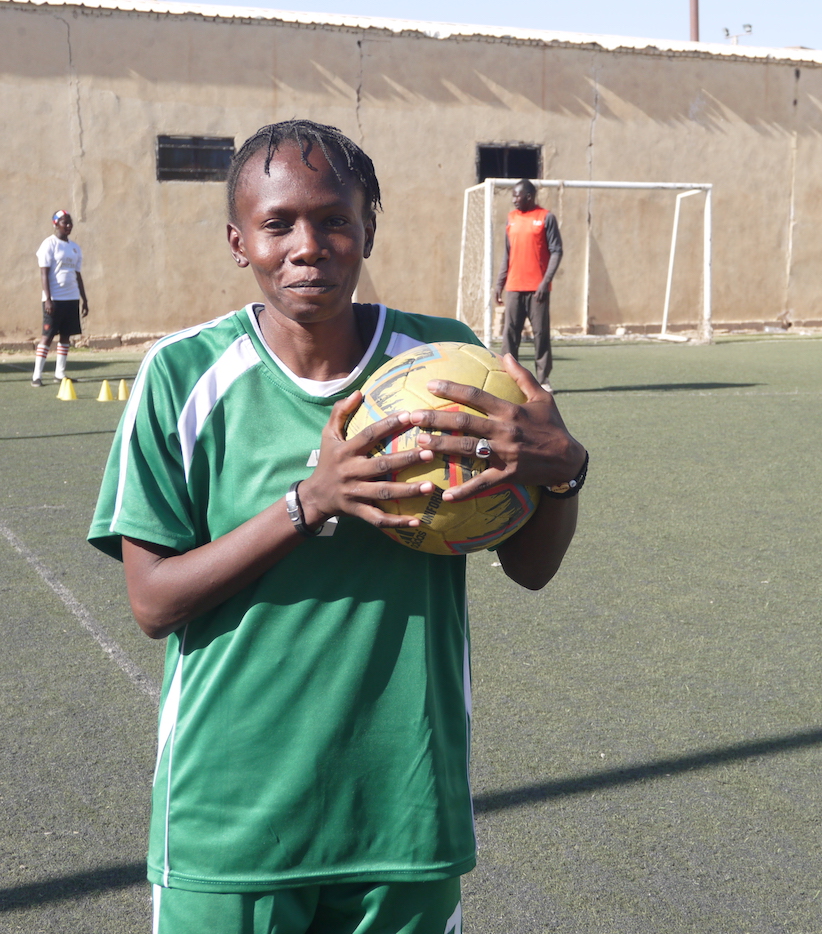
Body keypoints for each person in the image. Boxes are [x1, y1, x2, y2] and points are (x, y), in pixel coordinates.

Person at [88, 120, 588, 934]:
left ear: (367, 231)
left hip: (402, 814)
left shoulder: (449, 364)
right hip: (232, 825)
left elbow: (531, 568)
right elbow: (153, 602)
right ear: (237, 241)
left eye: (334, 220)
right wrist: (309, 503)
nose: (307, 246)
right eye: (277, 223)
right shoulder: (181, 376)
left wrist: (563, 469)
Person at [493, 179, 563, 392]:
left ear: (529, 196)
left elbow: (556, 251)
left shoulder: (546, 218)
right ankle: (509, 377)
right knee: (510, 334)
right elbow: (508, 254)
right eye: (513, 195)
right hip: (514, 286)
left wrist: (545, 281)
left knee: (540, 334)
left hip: (537, 289)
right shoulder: (511, 219)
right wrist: (500, 283)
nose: (514, 199)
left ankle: (543, 380)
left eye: (517, 195)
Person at [32, 209, 88, 386]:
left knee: (66, 336)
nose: (69, 225)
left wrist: (84, 299)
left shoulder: (74, 248)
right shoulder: (49, 245)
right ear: (55, 224)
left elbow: (77, 275)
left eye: (70, 222)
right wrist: (48, 299)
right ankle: (37, 376)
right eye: (65, 222)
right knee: (47, 336)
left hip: (71, 299)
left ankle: (60, 374)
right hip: (55, 299)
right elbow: (44, 274)